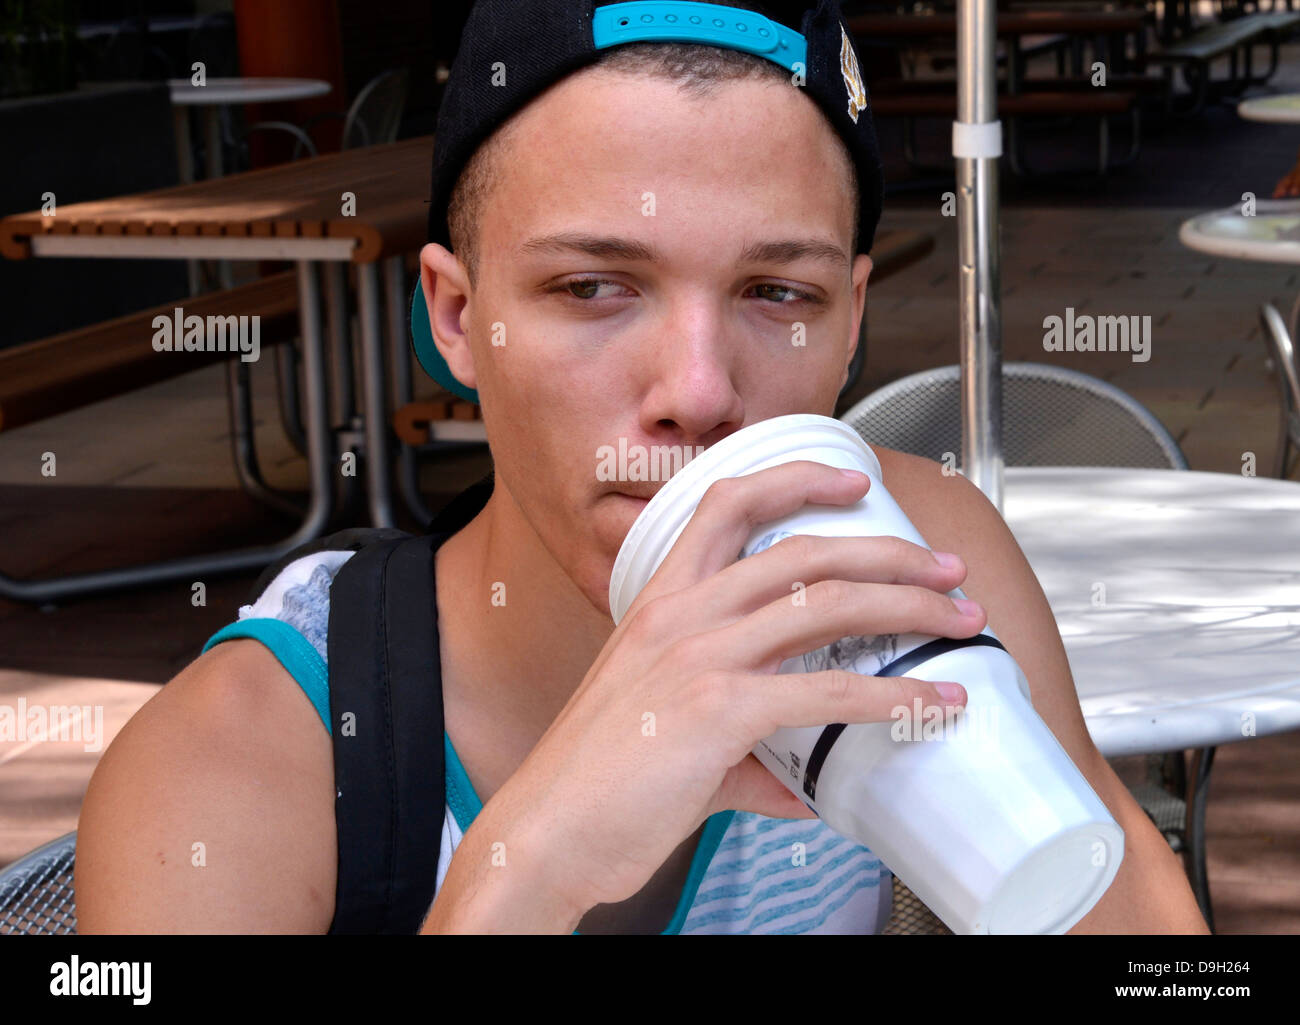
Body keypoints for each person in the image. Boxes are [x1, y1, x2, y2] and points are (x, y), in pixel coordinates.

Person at [74, 0, 1210, 934]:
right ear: (459, 317)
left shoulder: (911, 559)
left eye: (778, 294)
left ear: (851, 318)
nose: (701, 391)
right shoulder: (243, 760)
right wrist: (526, 870)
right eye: (592, 288)